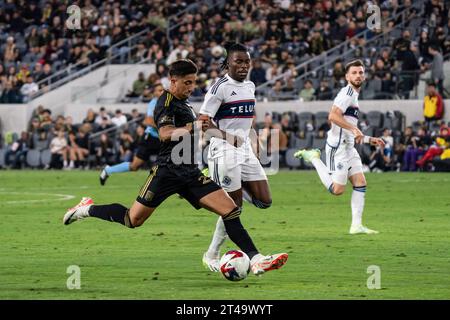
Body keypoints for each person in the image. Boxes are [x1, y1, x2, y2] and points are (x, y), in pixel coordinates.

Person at [63, 59, 288, 276]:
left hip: (190, 173)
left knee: (230, 210)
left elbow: (203, 128)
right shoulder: (166, 103)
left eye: (194, 82)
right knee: (132, 220)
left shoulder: (185, 103)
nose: (192, 87)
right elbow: (166, 134)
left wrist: (229, 138)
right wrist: (192, 126)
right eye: (187, 82)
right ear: (173, 81)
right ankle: (86, 209)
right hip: (167, 173)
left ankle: (257, 259)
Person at [198, 43, 276, 272]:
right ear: (228, 63)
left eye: (246, 62)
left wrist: (254, 141)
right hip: (223, 150)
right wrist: (228, 137)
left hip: (244, 150)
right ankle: (213, 254)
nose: (243, 66)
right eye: (238, 61)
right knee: (233, 208)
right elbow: (203, 122)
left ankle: (221, 184)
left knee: (264, 201)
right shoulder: (219, 87)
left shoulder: (250, 86)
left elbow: (247, 119)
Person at [294, 59, 385, 234]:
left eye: (360, 72)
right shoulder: (347, 93)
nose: (358, 75)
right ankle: (313, 158)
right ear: (347, 76)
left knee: (360, 182)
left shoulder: (354, 95)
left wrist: (367, 139)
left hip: (349, 147)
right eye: (354, 73)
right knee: (337, 190)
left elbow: (349, 126)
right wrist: (355, 128)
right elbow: (333, 116)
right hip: (338, 149)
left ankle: (356, 226)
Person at [99, 83, 164, 185]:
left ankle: (179, 188)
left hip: (162, 139)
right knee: (134, 166)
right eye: (159, 90)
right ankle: (108, 170)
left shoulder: (167, 103)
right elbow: (149, 121)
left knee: (172, 162)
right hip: (150, 138)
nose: (162, 92)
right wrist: (164, 128)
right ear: (154, 93)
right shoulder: (154, 103)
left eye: (163, 90)